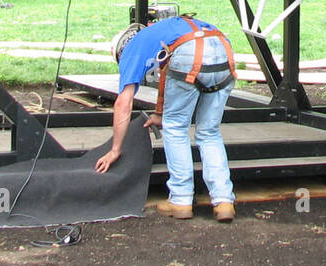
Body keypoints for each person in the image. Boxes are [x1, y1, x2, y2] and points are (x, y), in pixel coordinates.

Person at [95, 16, 237, 221]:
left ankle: (181, 200)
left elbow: (123, 104)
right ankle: (224, 201)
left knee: (176, 128)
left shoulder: (131, 50)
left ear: (120, 51)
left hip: (190, 51)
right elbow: (167, 73)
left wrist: (115, 150)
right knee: (209, 132)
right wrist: (159, 114)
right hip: (222, 49)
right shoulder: (162, 34)